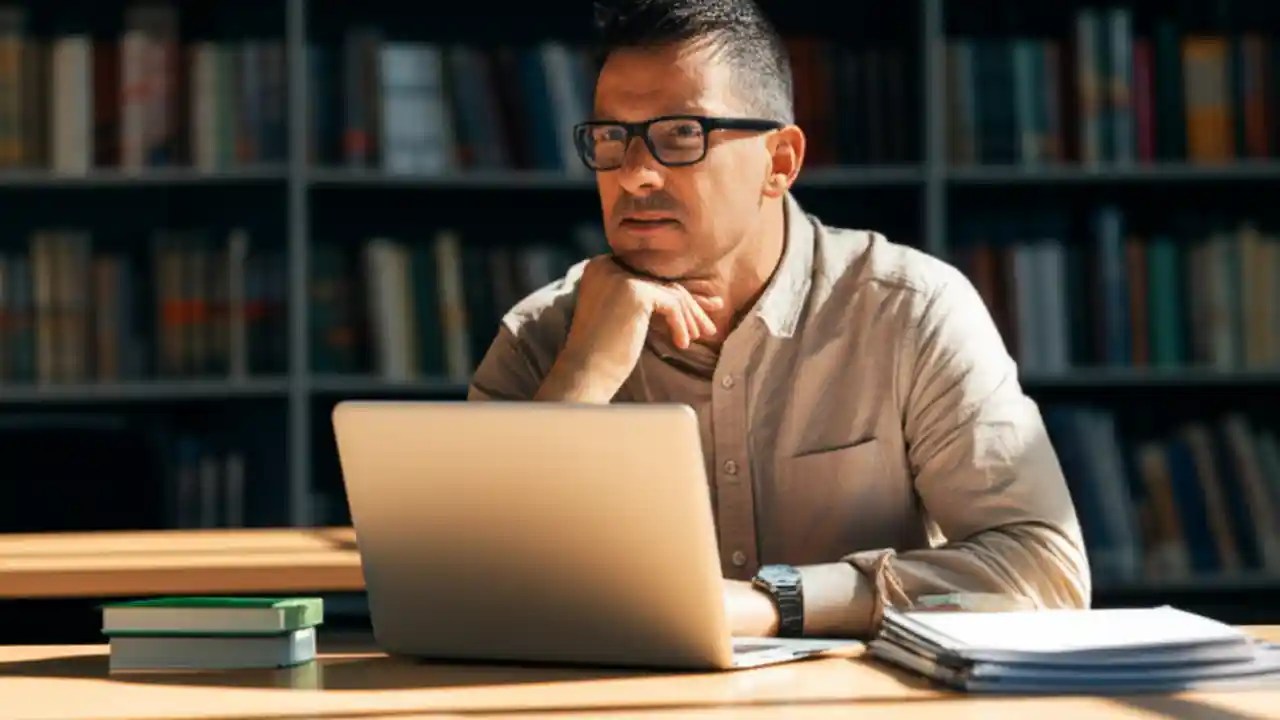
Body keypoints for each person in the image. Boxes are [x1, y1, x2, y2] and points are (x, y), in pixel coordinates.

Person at [467, 0, 1091, 640]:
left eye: (682, 134)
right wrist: (582, 377)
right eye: (610, 137)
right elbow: (468, 591)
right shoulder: (543, 337)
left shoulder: (909, 311)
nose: (634, 174)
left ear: (781, 162)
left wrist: (781, 603)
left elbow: (1044, 572)